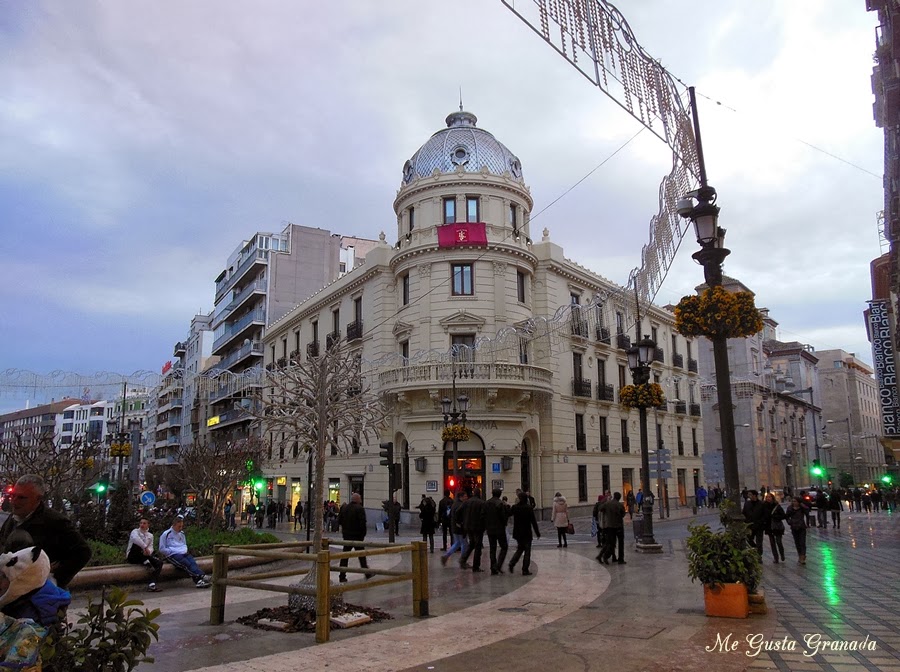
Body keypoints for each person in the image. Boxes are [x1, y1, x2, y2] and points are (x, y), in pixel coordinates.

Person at [0, 474, 91, 588]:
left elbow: (83, 552)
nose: (14, 501)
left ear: (38, 499)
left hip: (38, 597)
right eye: (13, 496)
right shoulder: (12, 518)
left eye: (22, 498)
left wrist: (52, 579)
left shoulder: (55, 522)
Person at [158, 515, 210, 588]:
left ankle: (199, 581)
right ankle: (201, 575)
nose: (180, 528)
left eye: (181, 526)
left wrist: (183, 550)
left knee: (192, 562)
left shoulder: (181, 534)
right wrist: (170, 551)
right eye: (179, 526)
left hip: (183, 552)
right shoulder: (166, 534)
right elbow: (162, 548)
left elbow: (184, 544)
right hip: (173, 554)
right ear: (174, 525)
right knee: (186, 564)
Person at [337, 493, 372, 583]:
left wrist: (345, 530)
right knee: (361, 556)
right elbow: (362, 524)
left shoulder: (344, 508)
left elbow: (339, 521)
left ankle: (342, 576)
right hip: (357, 536)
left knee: (344, 557)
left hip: (347, 536)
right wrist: (362, 535)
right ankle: (366, 573)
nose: (361, 500)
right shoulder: (360, 509)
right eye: (360, 498)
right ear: (357, 499)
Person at [126, 518, 164, 592]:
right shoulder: (135, 532)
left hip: (143, 555)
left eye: (144, 523)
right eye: (141, 523)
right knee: (137, 545)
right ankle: (145, 561)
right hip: (133, 555)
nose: (142, 525)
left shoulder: (150, 535)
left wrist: (148, 551)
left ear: (148, 525)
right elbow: (135, 539)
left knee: (159, 563)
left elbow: (151, 547)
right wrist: (145, 547)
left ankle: (152, 583)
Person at [508, 491, 541, 575]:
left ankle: (512, 563)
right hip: (527, 532)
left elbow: (508, 514)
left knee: (520, 549)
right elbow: (533, 521)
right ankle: (525, 569)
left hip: (518, 532)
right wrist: (537, 533)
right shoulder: (528, 508)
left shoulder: (515, 507)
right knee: (527, 551)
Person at [459, 489, 486, 572]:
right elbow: (483, 515)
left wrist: (461, 522)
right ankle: (476, 566)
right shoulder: (482, 503)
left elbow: (458, 511)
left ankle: (463, 559)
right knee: (478, 546)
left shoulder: (466, 502)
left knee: (472, 544)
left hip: (468, 526)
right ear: (480, 494)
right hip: (478, 527)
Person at [484, 488, 509, 575]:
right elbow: (503, 517)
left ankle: (493, 567)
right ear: (500, 494)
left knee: (492, 548)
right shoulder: (500, 503)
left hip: (490, 529)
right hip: (499, 529)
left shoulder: (486, 503)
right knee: (504, 547)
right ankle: (498, 565)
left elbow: (483, 515)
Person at [440, 491, 468, 566]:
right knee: (464, 544)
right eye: (465, 496)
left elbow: (450, 515)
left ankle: (446, 556)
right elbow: (461, 516)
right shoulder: (461, 505)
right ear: (461, 497)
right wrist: (461, 524)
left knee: (457, 543)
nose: (466, 497)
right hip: (460, 527)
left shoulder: (454, 504)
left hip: (454, 527)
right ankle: (463, 561)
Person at [599, 492, 626, 565]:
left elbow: (600, 508)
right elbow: (623, 514)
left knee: (611, 543)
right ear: (619, 498)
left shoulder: (608, 504)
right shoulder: (620, 505)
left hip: (610, 526)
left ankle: (606, 556)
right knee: (621, 543)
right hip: (619, 526)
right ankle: (621, 559)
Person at [762, 493, 786, 563]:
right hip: (769, 526)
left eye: (769, 497)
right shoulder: (764, 506)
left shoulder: (777, 506)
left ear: (772, 498)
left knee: (779, 542)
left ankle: (782, 554)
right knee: (772, 543)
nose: (768, 498)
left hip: (777, 526)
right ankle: (776, 558)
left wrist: (775, 517)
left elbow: (783, 515)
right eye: (767, 497)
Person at [785, 497, 810, 565]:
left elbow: (807, 511)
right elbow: (787, 516)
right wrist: (789, 522)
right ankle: (800, 555)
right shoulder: (790, 508)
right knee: (797, 542)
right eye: (793, 501)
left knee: (802, 542)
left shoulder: (802, 508)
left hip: (801, 527)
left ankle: (802, 556)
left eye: (795, 501)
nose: (794, 503)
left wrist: (803, 506)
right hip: (794, 527)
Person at [741, 490, 765, 557]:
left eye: (750, 494)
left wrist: (761, 522)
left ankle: (759, 556)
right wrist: (745, 522)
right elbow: (744, 513)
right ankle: (755, 548)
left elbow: (764, 515)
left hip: (759, 526)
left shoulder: (761, 504)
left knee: (759, 542)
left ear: (755, 495)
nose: (749, 496)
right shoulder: (747, 504)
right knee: (749, 539)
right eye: (748, 495)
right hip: (750, 526)